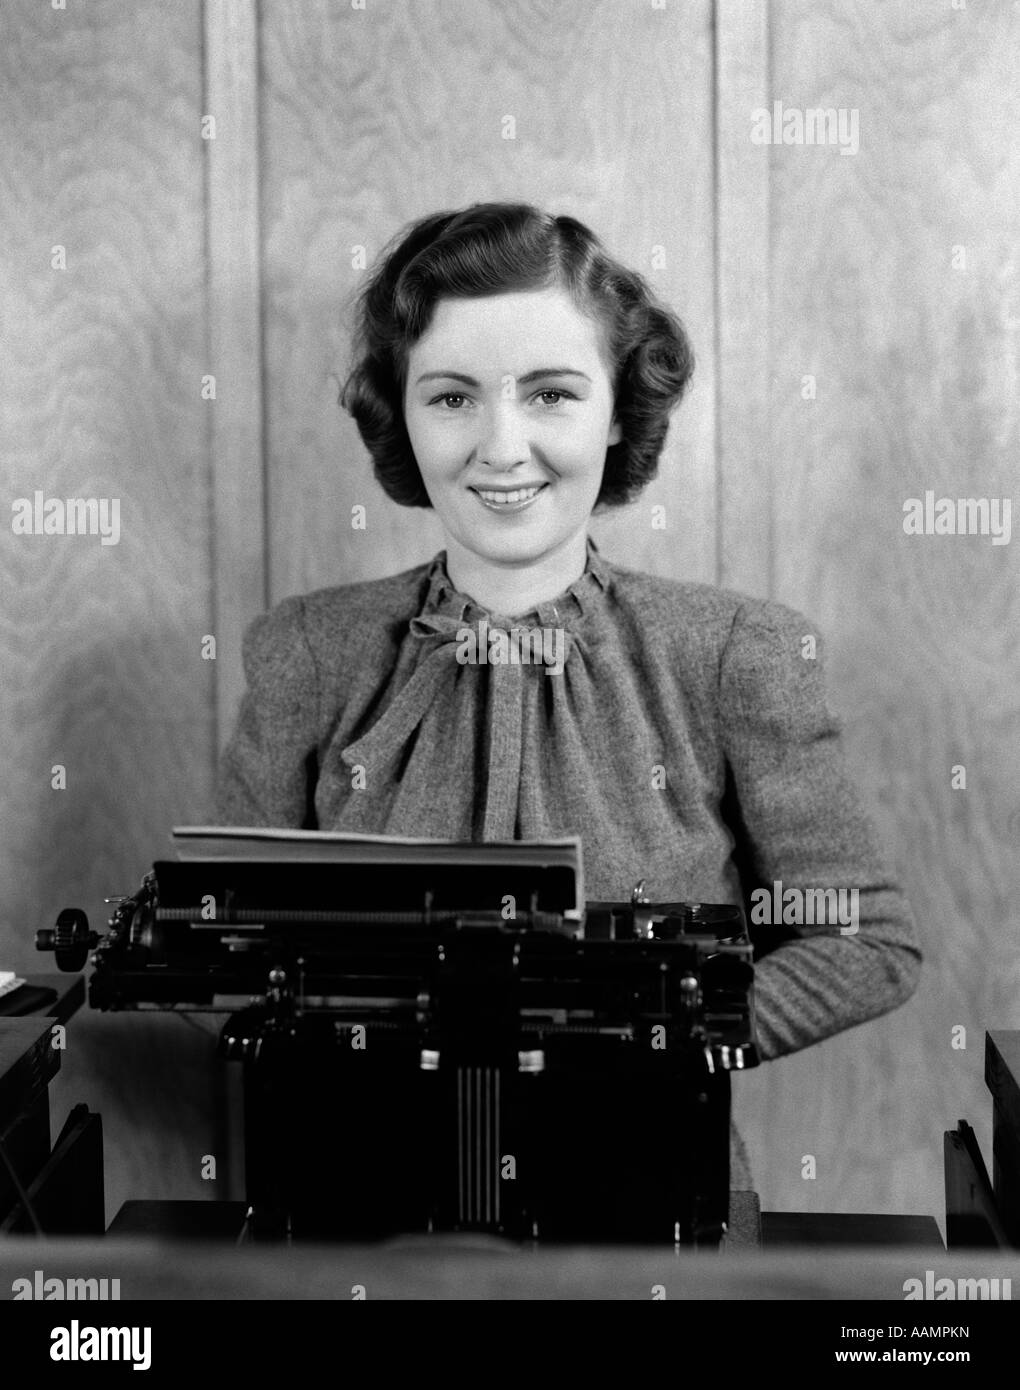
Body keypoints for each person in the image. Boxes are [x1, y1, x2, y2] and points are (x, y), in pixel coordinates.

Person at [216, 201, 921, 1192]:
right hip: (354, 1217)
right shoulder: (306, 651)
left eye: (549, 394)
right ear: (400, 415)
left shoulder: (734, 654)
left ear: (619, 409)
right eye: (453, 397)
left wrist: (663, 1036)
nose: (501, 449)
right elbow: (213, 942)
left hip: (657, 1205)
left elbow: (864, 940)